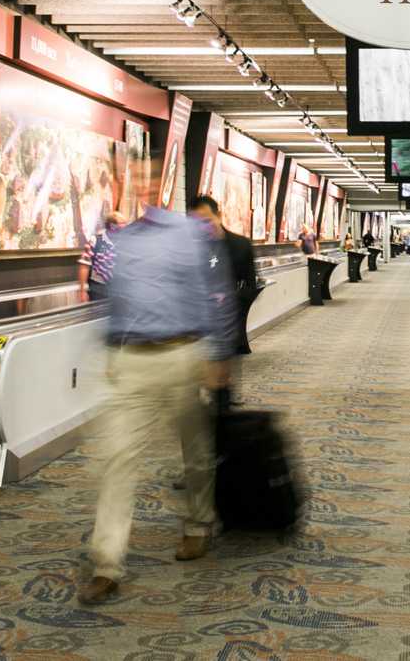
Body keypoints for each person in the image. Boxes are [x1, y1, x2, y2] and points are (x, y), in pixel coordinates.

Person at [78, 192, 236, 606]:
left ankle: (199, 524)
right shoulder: (118, 240)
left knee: (196, 452)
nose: (144, 188)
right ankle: (106, 564)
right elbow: (107, 293)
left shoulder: (191, 234)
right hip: (132, 359)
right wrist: (111, 345)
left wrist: (219, 354)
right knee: (118, 457)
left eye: (151, 176)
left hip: (183, 355)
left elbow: (214, 292)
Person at [192, 195, 258, 357]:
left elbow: (251, 285)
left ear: (218, 216)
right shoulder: (190, 248)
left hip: (228, 325)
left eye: (207, 221)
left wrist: (230, 300)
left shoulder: (240, 245)